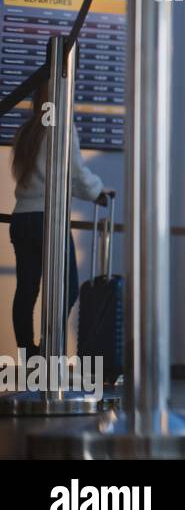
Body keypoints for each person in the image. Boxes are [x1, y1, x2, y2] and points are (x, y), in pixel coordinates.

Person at [9, 80, 110, 356]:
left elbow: (58, 177)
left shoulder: (26, 131)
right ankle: (46, 354)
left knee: (27, 291)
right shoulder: (62, 128)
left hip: (21, 219)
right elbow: (76, 173)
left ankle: (29, 355)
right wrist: (98, 191)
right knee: (67, 290)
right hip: (48, 220)